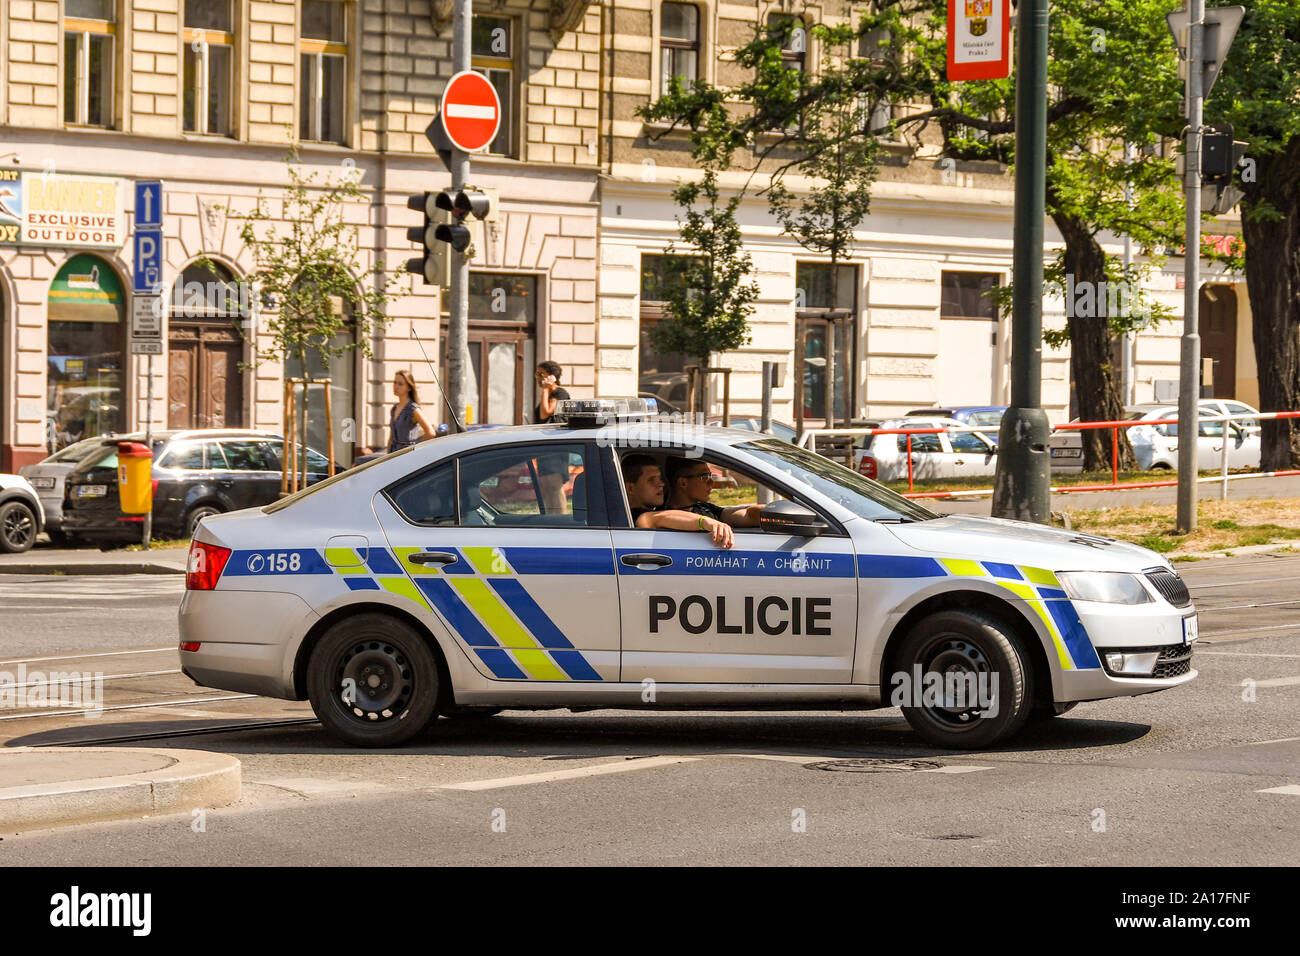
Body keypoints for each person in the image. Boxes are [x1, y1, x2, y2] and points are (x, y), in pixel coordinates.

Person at [621, 453, 734, 549]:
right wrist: (705, 522)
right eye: (651, 480)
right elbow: (658, 517)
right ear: (630, 488)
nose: (661, 484)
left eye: (660, 478)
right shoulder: (635, 516)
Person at [664, 456, 764, 528]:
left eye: (710, 476)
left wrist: (770, 510)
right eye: (705, 477)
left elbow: (747, 514)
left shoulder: (705, 509)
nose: (711, 482)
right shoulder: (661, 516)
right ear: (683, 483)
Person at [388, 370, 436, 453]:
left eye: (400, 384)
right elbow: (391, 436)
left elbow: (431, 433)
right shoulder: (394, 408)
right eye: (395, 382)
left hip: (407, 455)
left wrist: (416, 449)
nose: (396, 386)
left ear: (409, 387)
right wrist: (387, 455)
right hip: (392, 456)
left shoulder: (413, 409)